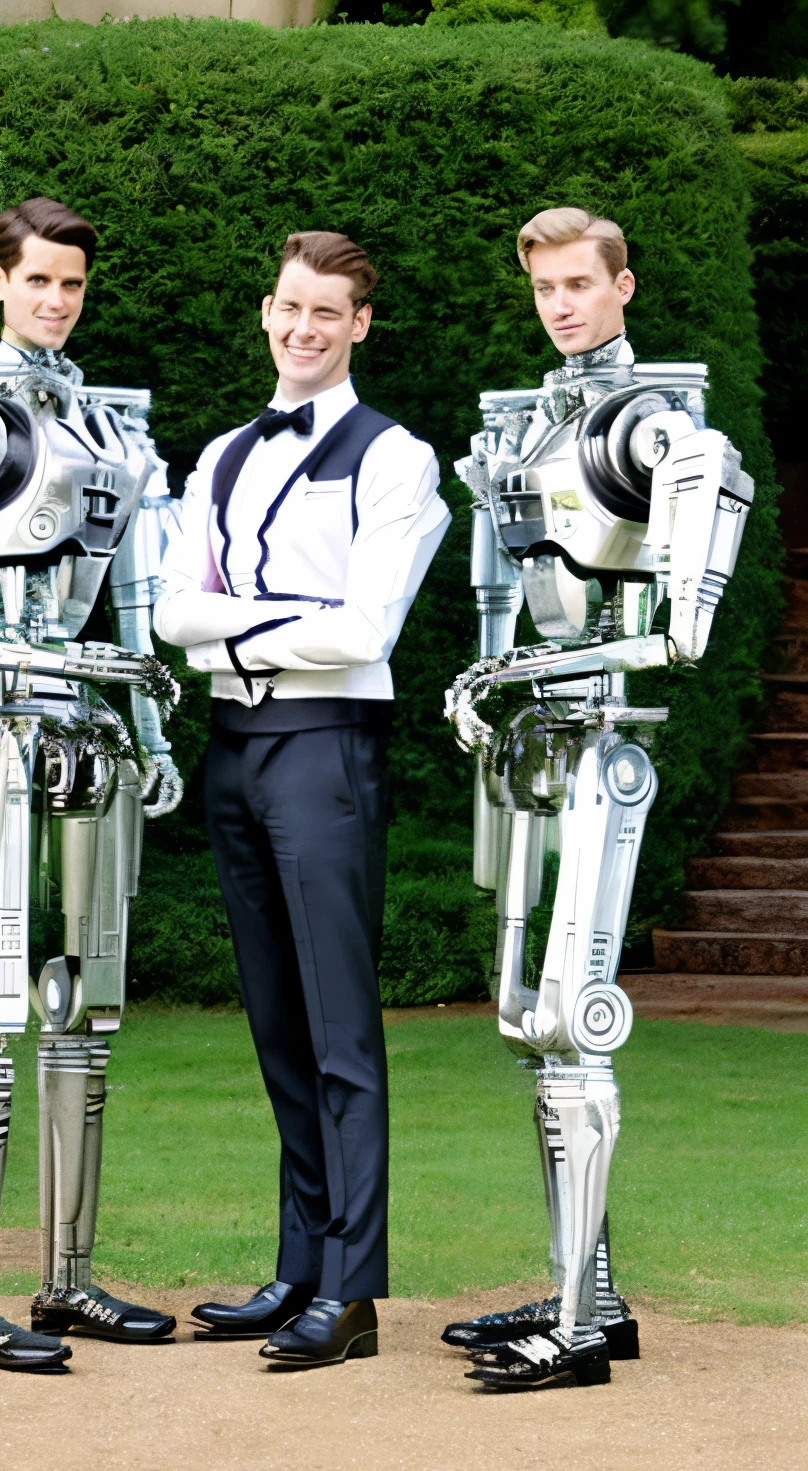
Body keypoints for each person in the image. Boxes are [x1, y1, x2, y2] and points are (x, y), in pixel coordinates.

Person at [442, 208, 753, 1386]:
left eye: (581, 283)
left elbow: (681, 609)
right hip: (539, 737)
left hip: (603, 739)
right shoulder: (538, 421)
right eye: (545, 287)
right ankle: (596, 1292)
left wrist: (523, 666)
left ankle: (575, 1331)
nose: (563, 304)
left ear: (624, 284)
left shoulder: (645, 422)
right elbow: (505, 575)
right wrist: (504, 666)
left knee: (576, 1019)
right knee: (530, 1017)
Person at [0, 198, 183, 1369]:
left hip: (97, 737)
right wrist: (45, 662)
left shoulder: (111, 431)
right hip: (7, 734)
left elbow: (141, 602)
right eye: (37, 281)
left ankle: (66, 1281)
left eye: (70, 284)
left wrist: (149, 733)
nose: (55, 300)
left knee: (86, 1015)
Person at [154, 232, 450, 1367]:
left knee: (338, 1030)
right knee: (278, 1025)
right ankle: (298, 1270)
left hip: (327, 745)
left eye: (327, 313)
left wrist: (237, 615)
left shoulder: (394, 457)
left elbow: (364, 630)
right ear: (267, 310)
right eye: (289, 307)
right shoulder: (224, 452)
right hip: (235, 744)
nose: (302, 329)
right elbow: (171, 618)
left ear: (358, 325)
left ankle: (355, 1293)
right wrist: (283, 612)